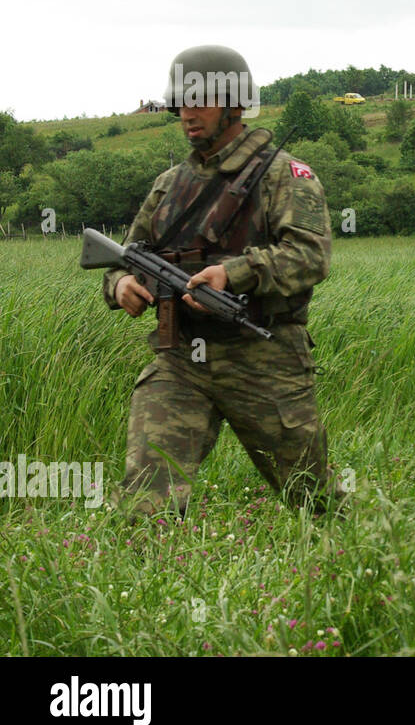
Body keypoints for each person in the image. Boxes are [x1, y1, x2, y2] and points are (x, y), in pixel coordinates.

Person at [102, 45, 337, 516]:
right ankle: (151, 584)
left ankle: (367, 568)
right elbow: (125, 256)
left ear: (233, 103)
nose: (186, 114)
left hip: (263, 359)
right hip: (181, 358)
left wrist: (233, 275)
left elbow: (311, 256)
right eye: (180, 104)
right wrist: (121, 285)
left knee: (315, 502)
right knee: (145, 500)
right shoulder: (170, 184)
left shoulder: (283, 175)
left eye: (199, 102)